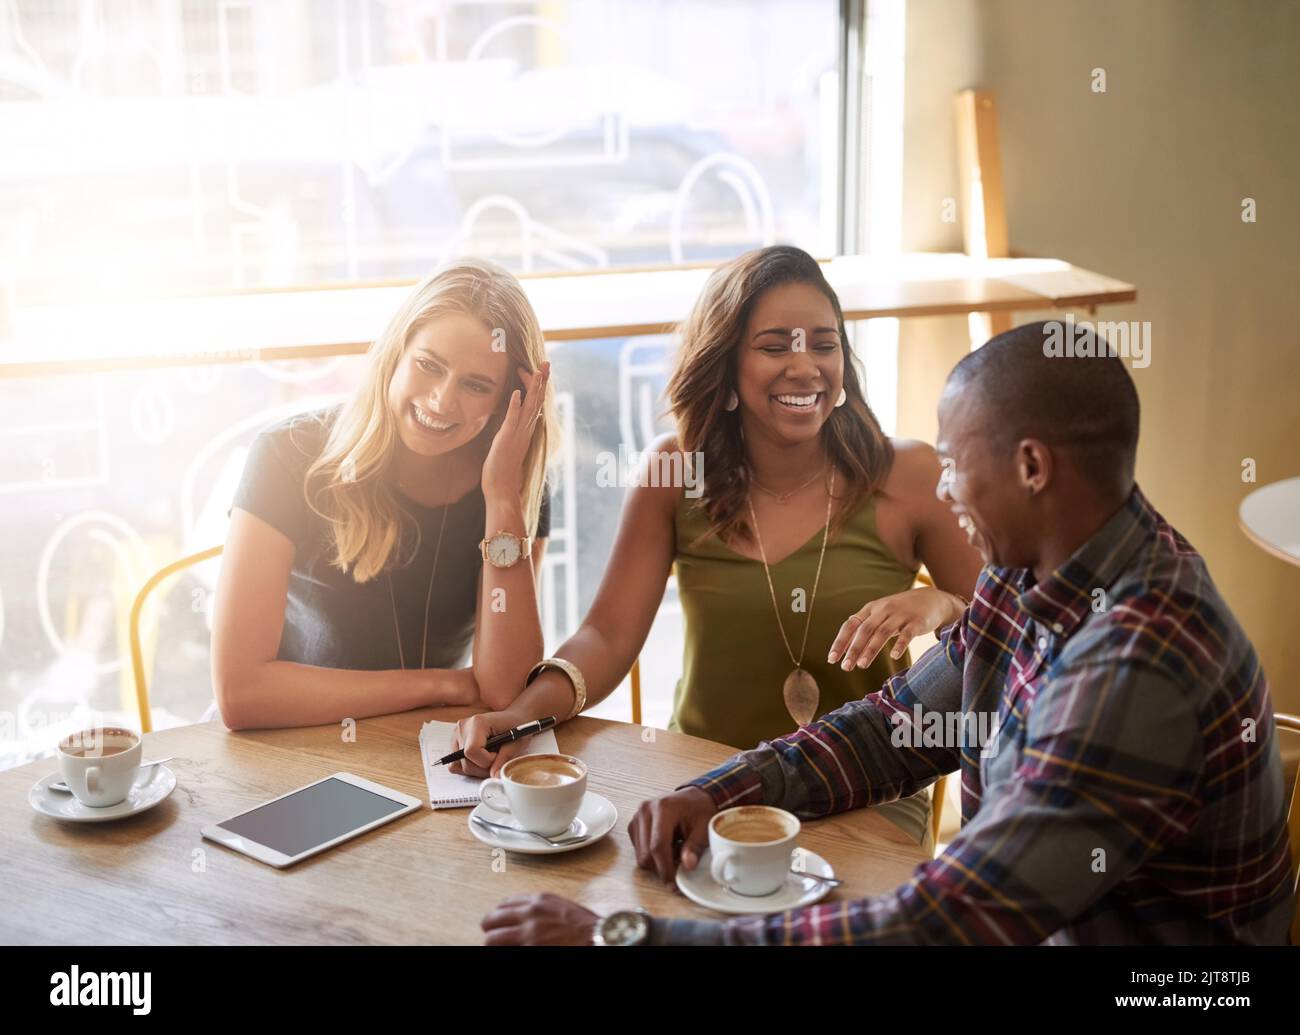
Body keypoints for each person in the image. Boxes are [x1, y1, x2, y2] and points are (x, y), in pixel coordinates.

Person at [480, 320, 1293, 946]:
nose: (941, 483)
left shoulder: (1136, 666)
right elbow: (892, 730)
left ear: (1032, 468)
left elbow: (943, 926)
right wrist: (722, 789)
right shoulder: (1035, 569)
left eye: (953, 459)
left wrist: (626, 933)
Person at [450, 245, 982, 847]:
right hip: (704, 787)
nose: (804, 366)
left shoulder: (910, 474)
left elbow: (1007, 638)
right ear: (726, 366)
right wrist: (523, 716)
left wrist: (942, 606)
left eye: (824, 344)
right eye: (775, 345)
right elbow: (606, 636)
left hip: (862, 791)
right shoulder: (674, 471)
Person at [212, 259, 557, 729]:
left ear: (509, 400)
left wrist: (500, 497)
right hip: (291, 737)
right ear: (394, 354)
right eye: (428, 366)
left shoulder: (512, 485)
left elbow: (504, 689)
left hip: (417, 742)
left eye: (476, 385)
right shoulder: (287, 456)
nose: (441, 401)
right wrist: (446, 684)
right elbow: (241, 695)